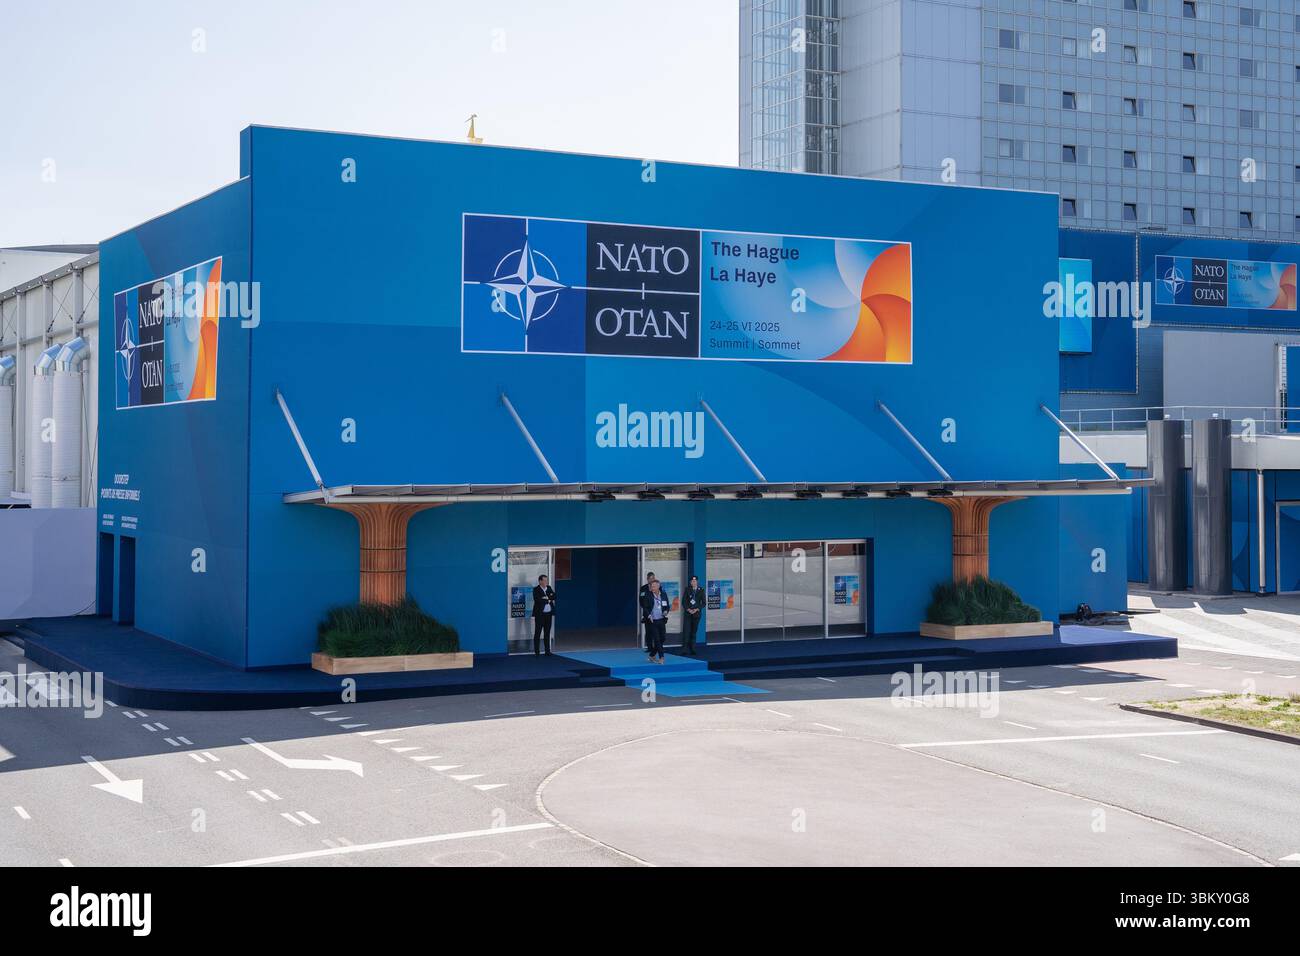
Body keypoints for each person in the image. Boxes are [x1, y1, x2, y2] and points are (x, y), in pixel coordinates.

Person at [640, 578, 670, 664]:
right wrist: (649, 615)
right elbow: (645, 608)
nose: (652, 588)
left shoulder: (663, 594)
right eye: (651, 586)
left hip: (661, 620)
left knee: (662, 638)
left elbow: (667, 606)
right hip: (652, 621)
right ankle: (661, 657)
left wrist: (666, 611)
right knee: (657, 640)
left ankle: (652, 655)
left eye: (654, 586)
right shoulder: (648, 595)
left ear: (658, 586)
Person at [532, 574, 556, 656]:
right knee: (538, 633)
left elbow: (554, 596)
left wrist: (546, 598)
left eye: (547, 580)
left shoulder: (549, 588)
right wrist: (548, 599)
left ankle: (547, 651)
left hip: (548, 615)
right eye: (544, 580)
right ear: (540, 581)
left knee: (547, 632)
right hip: (540, 615)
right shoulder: (536, 589)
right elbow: (538, 600)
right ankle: (537, 652)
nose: (546, 582)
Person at [682, 574, 704, 655]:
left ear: (697, 582)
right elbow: (684, 602)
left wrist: (696, 609)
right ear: (690, 582)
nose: (693, 582)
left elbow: (704, 603)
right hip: (688, 614)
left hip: (696, 614)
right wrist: (688, 609)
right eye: (692, 581)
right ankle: (684, 649)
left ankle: (693, 649)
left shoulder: (701, 590)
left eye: (695, 581)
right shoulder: (687, 590)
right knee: (686, 631)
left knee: (693, 632)